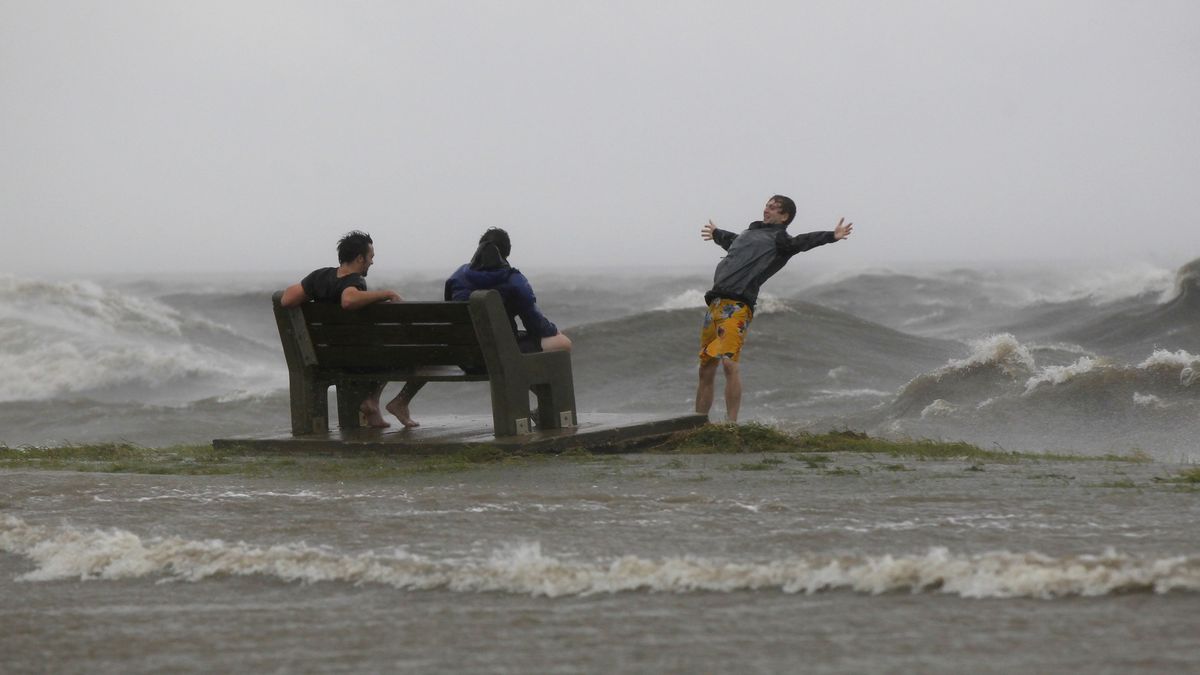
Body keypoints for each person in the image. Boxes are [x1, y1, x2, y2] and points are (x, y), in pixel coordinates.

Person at [696, 195, 853, 422]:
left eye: (773, 207)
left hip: (738, 305)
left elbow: (802, 241)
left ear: (784, 216)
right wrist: (716, 233)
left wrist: (831, 236)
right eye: (767, 205)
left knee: (729, 364)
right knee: (705, 368)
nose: (767, 209)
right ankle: (698, 422)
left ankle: (731, 425)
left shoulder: (781, 240)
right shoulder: (748, 234)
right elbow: (733, 240)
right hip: (715, 305)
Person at [279, 230, 423, 428]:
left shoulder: (319, 276)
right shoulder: (354, 281)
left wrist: (313, 291)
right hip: (354, 358)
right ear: (359, 258)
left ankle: (372, 405)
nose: (372, 262)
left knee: (381, 349)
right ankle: (377, 400)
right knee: (406, 354)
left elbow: (286, 299)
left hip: (324, 357)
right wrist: (387, 293)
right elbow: (348, 300)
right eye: (371, 257)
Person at [445, 228, 572, 353]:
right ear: (507, 252)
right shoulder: (513, 280)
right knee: (563, 342)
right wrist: (554, 331)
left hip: (466, 357)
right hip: (500, 356)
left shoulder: (457, 277)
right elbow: (535, 325)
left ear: (480, 248)